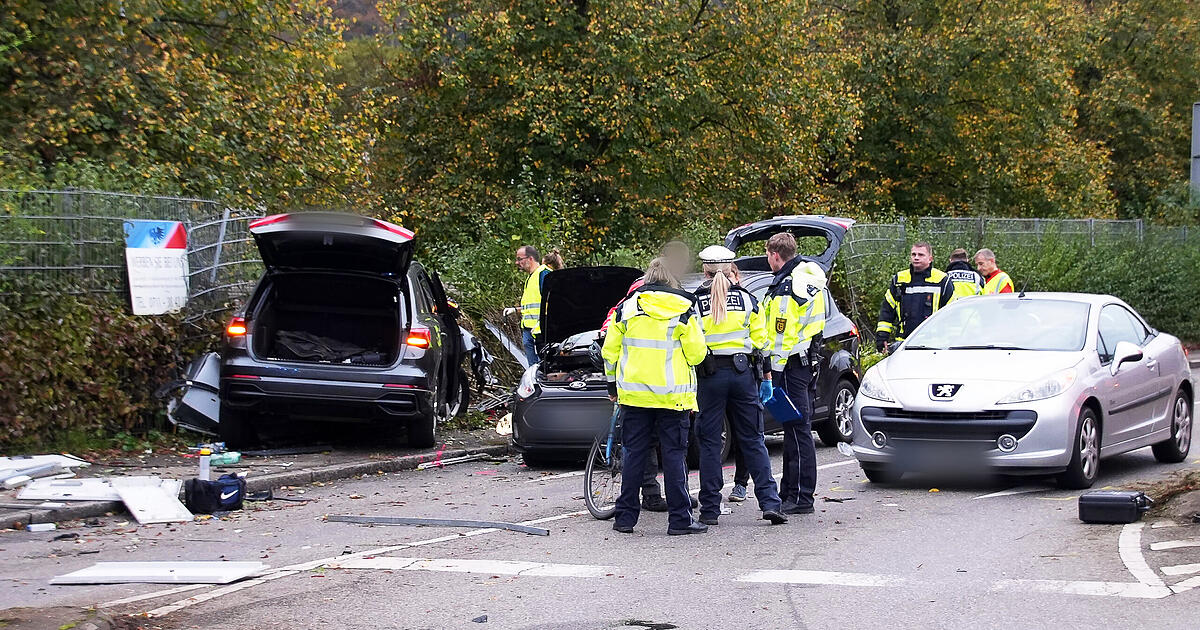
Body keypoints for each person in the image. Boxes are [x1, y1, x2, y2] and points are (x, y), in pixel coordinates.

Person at [602, 258, 708, 535]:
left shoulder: (626, 308)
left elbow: (609, 352)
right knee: (674, 457)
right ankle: (680, 521)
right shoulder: (685, 308)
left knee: (634, 455)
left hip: (635, 396)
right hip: (673, 397)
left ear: (647, 278)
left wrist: (613, 386)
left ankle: (624, 519)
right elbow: (697, 354)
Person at [692, 245, 787, 526]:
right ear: (731, 269)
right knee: (753, 439)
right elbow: (762, 342)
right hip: (743, 374)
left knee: (710, 443)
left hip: (709, 376)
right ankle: (771, 503)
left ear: (705, 271)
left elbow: (691, 343)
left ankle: (710, 509)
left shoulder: (695, 302)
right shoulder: (748, 300)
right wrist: (767, 377)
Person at [763, 233, 827, 515]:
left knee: (798, 429)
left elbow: (781, 334)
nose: (768, 261)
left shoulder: (788, 287)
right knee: (794, 429)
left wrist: (772, 372)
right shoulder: (808, 276)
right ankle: (790, 491)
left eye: (767, 255)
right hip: (804, 361)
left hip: (789, 364)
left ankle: (801, 497)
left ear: (776, 255)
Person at [875, 242, 954, 353]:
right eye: (913, 254)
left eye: (921, 255)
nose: (916, 258)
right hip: (904, 343)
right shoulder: (900, 279)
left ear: (930, 258)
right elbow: (887, 310)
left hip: (934, 344)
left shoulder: (942, 280)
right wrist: (882, 336)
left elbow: (952, 313)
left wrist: (952, 340)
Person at [511, 245, 551, 366]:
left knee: (544, 366)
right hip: (529, 330)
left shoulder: (543, 274)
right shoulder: (531, 277)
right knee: (533, 368)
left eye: (519, 259)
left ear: (530, 259)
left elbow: (553, 302)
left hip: (541, 331)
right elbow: (532, 305)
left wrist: (542, 322)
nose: (517, 262)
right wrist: (514, 310)